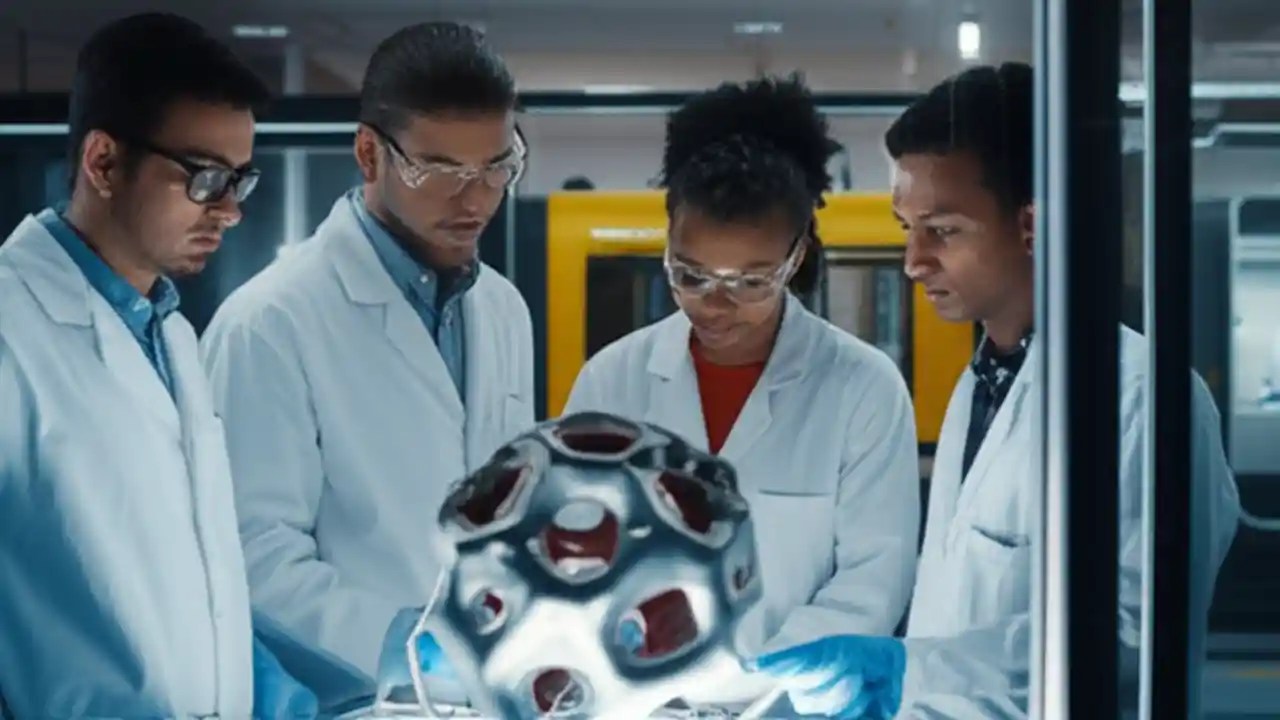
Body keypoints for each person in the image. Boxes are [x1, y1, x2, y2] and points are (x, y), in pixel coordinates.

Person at [750, 62, 1242, 718]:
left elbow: (1136, 645)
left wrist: (910, 670)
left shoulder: (1144, 402)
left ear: (1032, 225)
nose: (913, 261)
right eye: (907, 228)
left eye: (944, 230)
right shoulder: (983, 383)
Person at [556, 75, 920, 705]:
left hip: (791, 704)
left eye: (752, 282)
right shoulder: (611, 380)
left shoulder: (862, 388)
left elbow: (873, 577)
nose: (716, 305)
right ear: (668, 233)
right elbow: (570, 547)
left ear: (797, 254)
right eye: (690, 275)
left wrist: (765, 682)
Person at [200, 21, 533, 701]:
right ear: (368, 153)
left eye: (496, 168)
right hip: (350, 698)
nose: (474, 200)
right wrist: (408, 646)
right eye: (439, 171)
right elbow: (250, 555)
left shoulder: (503, 309)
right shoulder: (269, 324)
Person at [0, 12, 316, 719]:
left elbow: (199, 588)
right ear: (104, 162)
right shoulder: (10, 331)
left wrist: (284, 703)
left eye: (241, 180)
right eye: (206, 178)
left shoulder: (169, 334)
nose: (230, 211)